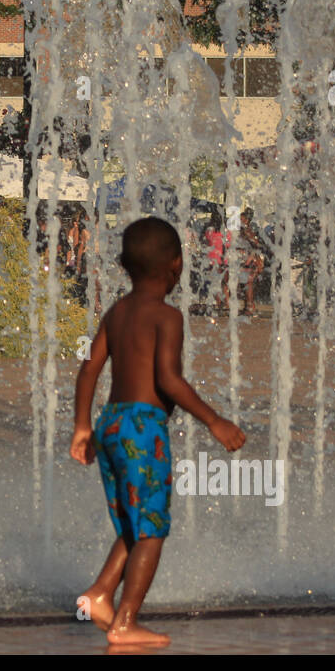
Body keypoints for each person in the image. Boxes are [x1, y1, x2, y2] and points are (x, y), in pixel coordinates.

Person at [68, 217, 246, 647]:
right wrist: (214, 420)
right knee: (152, 529)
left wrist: (82, 426)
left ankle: (99, 594)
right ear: (176, 264)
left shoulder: (117, 312)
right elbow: (168, 380)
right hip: (142, 428)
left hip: (111, 423)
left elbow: (89, 367)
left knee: (135, 519)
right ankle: (126, 622)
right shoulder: (167, 316)